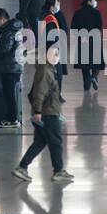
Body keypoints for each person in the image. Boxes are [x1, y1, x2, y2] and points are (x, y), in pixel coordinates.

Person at [12, 45, 71, 183]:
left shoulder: (48, 68)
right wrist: (38, 111)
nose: (56, 57)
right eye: (54, 54)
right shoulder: (45, 71)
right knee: (56, 142)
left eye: (57, 54)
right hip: (47, 114)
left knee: (39, 142)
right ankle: (58, 171)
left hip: (45, 112)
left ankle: (22, 167)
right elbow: (40, 92)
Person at [0, 9, 23, 129]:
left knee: (9, 94)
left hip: (9, 67)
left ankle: (13, 119)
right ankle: (11, 117)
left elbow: (5, 49)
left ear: (2, 18)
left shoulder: (8, 31)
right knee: (9, 93)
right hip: (13, 65)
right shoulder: (13, 28)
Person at [70, 0, 105, 91]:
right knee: (96, 63)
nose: (95, 2)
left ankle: (87, 85)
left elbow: (73, 29)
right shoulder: (96, 13)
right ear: (89, 1)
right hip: (95, 41)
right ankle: (93, 77)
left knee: (84, 66)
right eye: (94, 0)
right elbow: (99, 27)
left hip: (82, 42)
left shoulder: (77, 13)